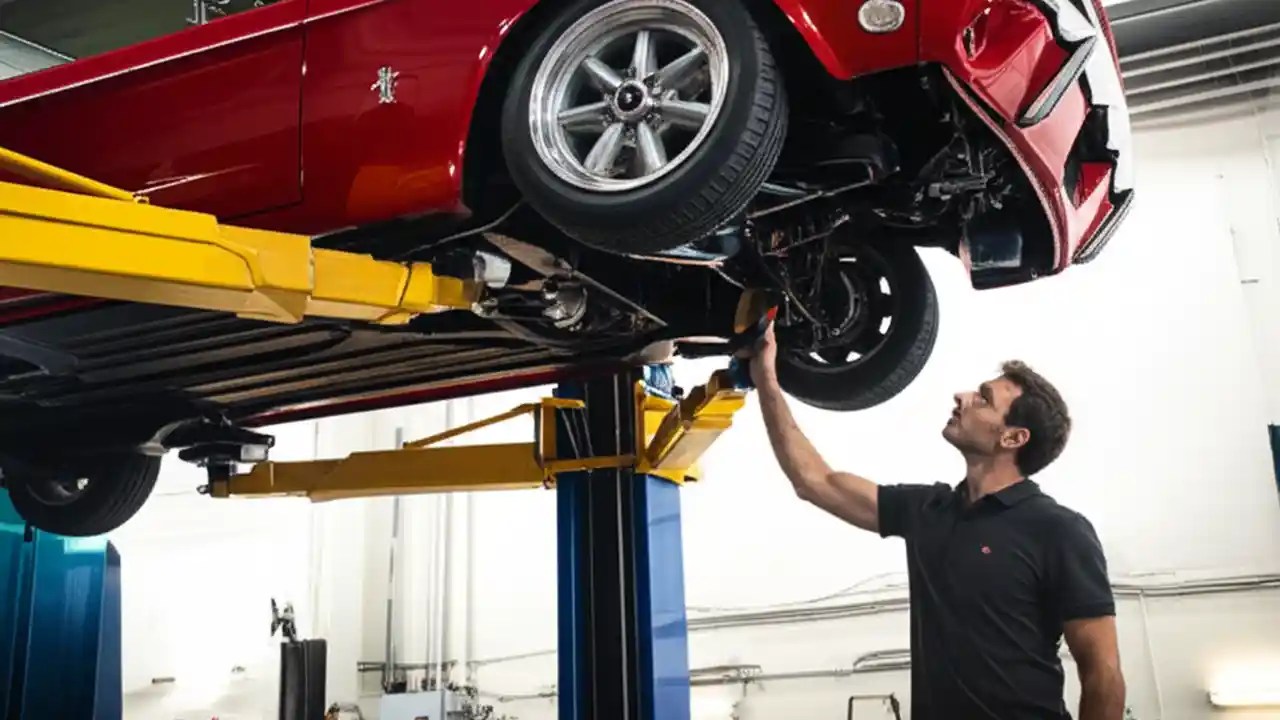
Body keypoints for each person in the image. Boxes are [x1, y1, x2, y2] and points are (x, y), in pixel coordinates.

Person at [745, 323, 1126, 720]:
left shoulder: (1059, 530)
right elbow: (815, 482)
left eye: (983, 399)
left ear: (1013, 438)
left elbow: (1103, 672)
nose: (962, 397)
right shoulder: (929, 510)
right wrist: (767, 378)